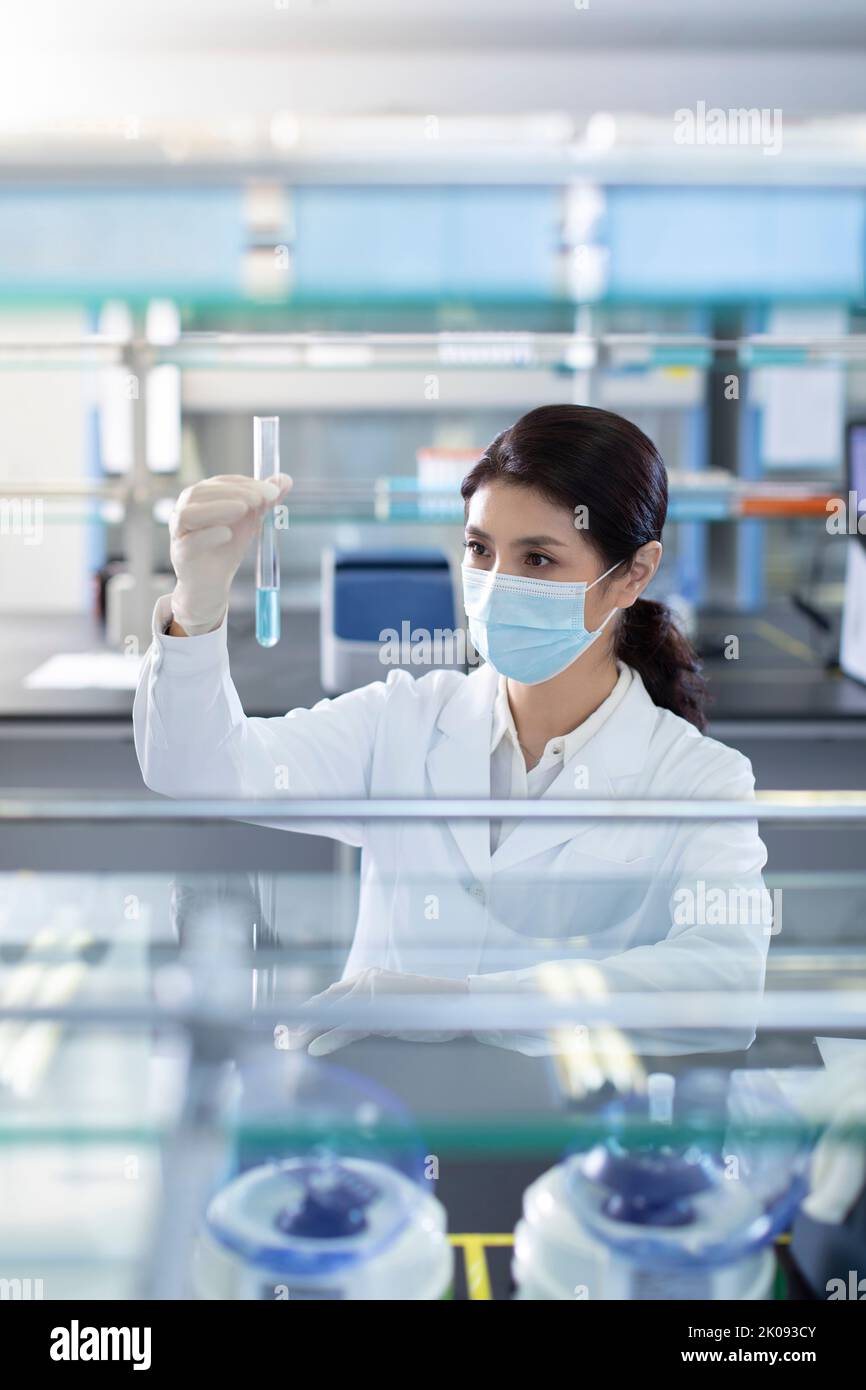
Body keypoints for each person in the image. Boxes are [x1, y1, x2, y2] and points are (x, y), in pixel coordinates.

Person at [134, 405, 770, 1058]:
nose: (495, 587)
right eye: (480, 549)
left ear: (633, 574)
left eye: (539, 559)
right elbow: (198, 772)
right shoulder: (402, 721)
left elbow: (728, 987)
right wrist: (196, 606)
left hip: (569, 1132)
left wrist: (464, 1003)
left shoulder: (699, 778)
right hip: (379, 1120)